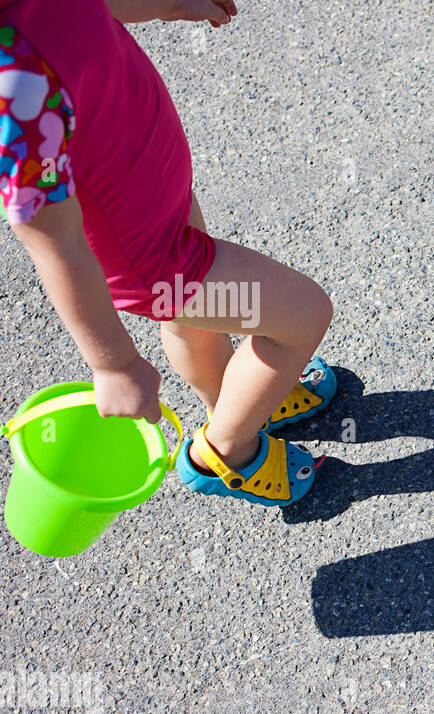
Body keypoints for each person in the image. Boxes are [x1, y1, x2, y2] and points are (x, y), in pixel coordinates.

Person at [0, 0, 334, 505]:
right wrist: (114, 365)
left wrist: (167, 4)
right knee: (303, 317)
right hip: (157, 262)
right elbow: (54, 240)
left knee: (192, 323)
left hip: (157, 205)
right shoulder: (14, 86)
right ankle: (227, 452)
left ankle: (239, 398)